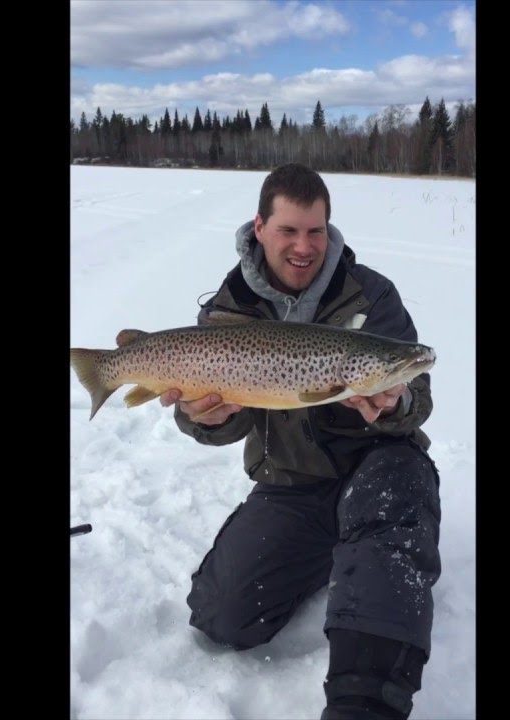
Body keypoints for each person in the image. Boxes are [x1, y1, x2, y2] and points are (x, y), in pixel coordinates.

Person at [158, 163, 440, 720]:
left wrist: (396, 402)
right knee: (222, 616)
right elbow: (221, 426)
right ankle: (337, 545)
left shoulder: (372, 294)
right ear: (259, 227)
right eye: (288, 230)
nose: (304, 246)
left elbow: (419, 392)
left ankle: (366, 702)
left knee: (388, 508)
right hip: (292, 484)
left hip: (380, 467)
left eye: (315, 230)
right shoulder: (226, 311)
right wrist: (204, 417)